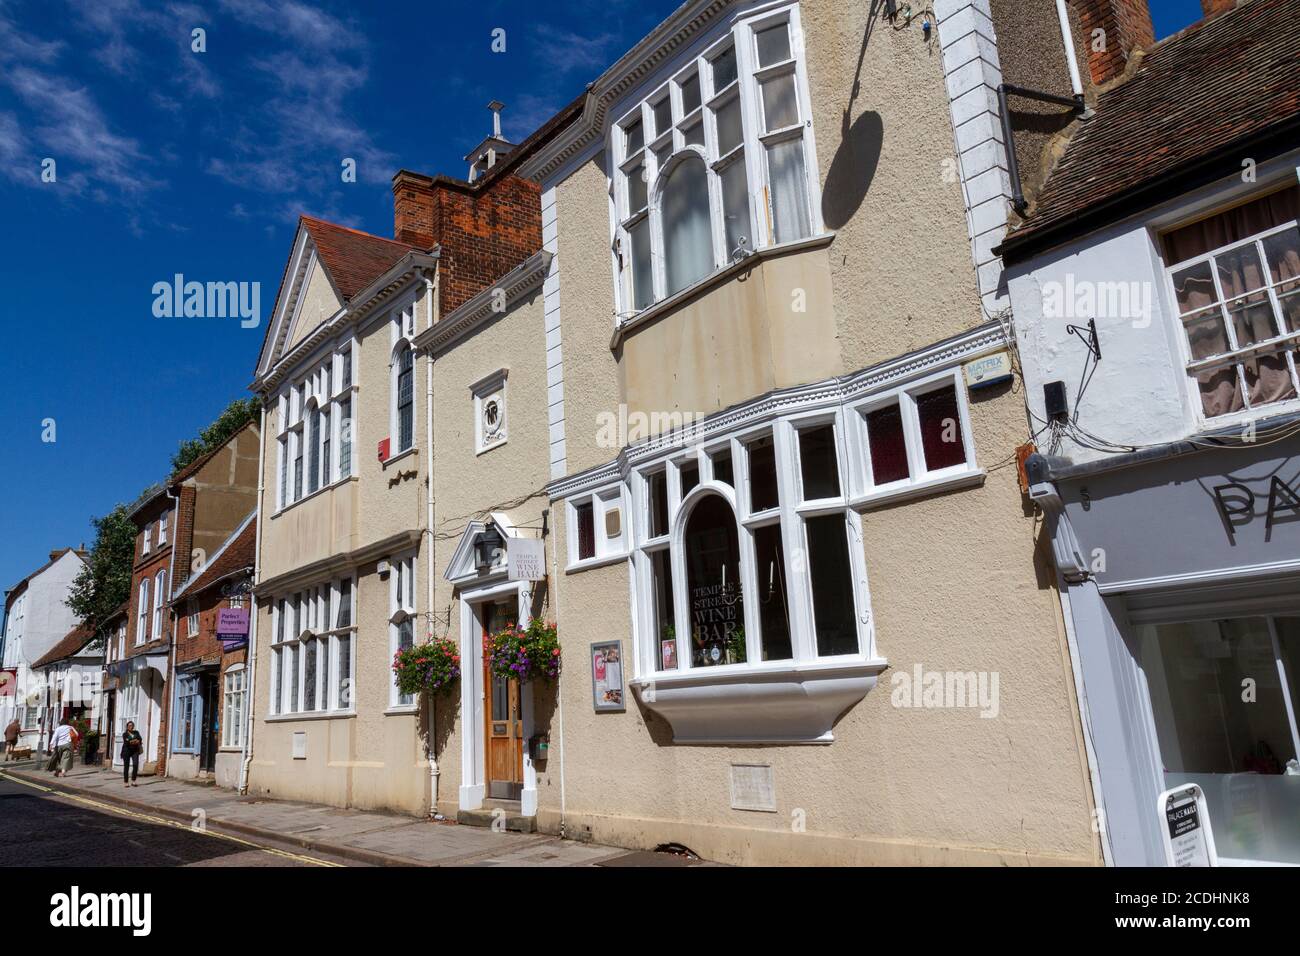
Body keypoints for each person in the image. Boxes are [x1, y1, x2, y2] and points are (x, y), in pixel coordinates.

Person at [121, 721, 143, 787]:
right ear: (127, 727)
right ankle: (126, 782)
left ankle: (133, 780)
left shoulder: (136, 732)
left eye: (132, 725)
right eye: (129, 725)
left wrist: (133, 741)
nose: (131, 726)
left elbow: (140, 739)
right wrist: (134, 741)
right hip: (126, 751)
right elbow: (126, 743)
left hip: (135, 751)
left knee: (135, 765)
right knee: (126, 766)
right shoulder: (125, 734)